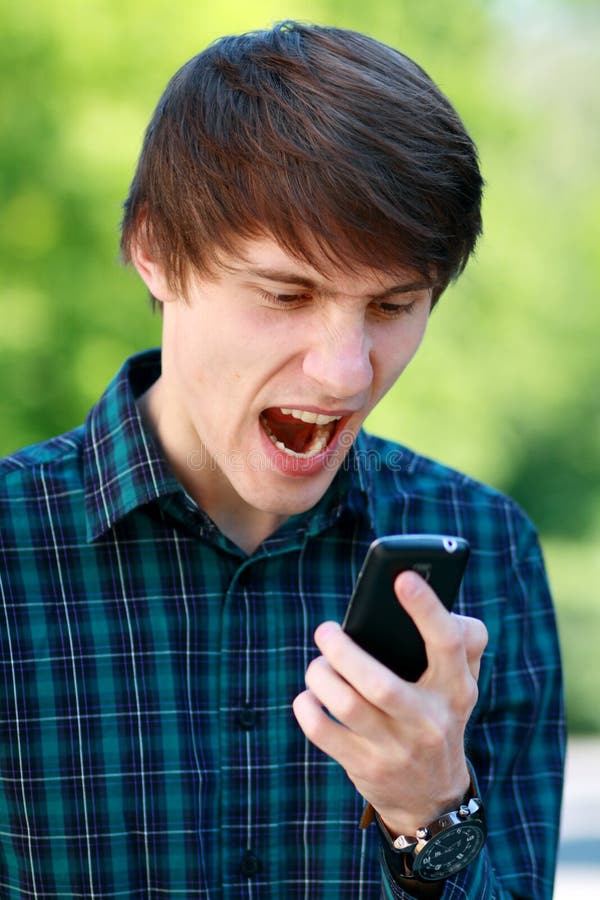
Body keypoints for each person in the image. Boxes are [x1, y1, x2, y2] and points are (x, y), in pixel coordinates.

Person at [0, 21, 564, 899]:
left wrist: (432, 812)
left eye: (392, 305)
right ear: (156, 252)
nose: (345, 371)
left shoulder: (488, 547)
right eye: (286, 294)